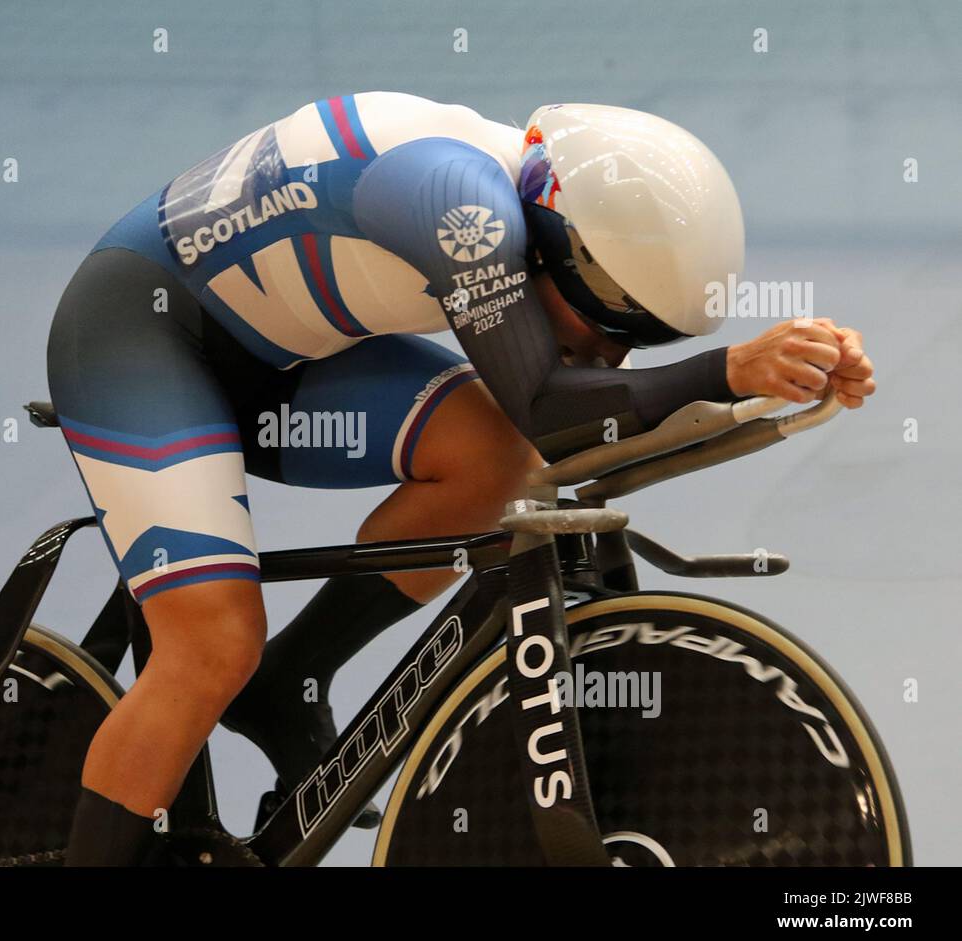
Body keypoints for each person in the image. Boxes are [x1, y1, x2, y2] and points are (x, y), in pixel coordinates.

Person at [48, 93, 876, 866]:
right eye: (606, 326)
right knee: (209, 644)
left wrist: (788, 373)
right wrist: (730, 370)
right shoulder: (458, 204)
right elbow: (552, 405)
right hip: (141, 334)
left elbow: (563, 429)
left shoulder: (539, 207)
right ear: (559, 251)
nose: (612, 358)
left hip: (286, 351)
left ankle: (286, 681)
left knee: (497, 464)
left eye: (638, 341)